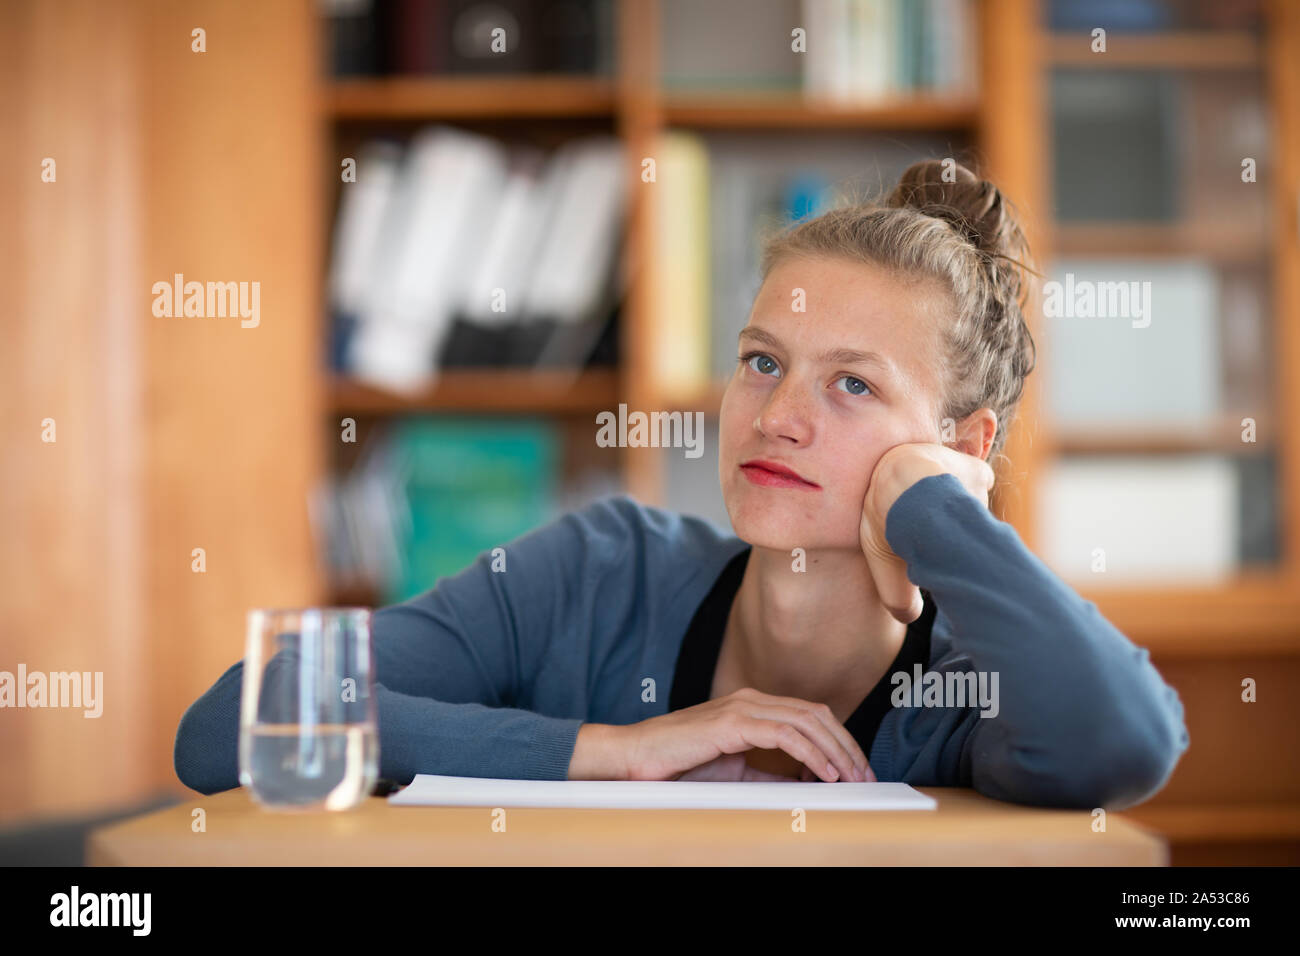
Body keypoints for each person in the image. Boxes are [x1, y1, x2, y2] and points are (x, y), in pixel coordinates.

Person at [174, 159, 1189, 809]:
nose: (778, 413)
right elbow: (236, 717)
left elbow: (1126, 740)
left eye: (851, 382)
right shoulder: (596, 569)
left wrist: (931, 504)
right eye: (761, 360)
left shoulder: (969, 681)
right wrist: (615, 751)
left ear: (965, 440)